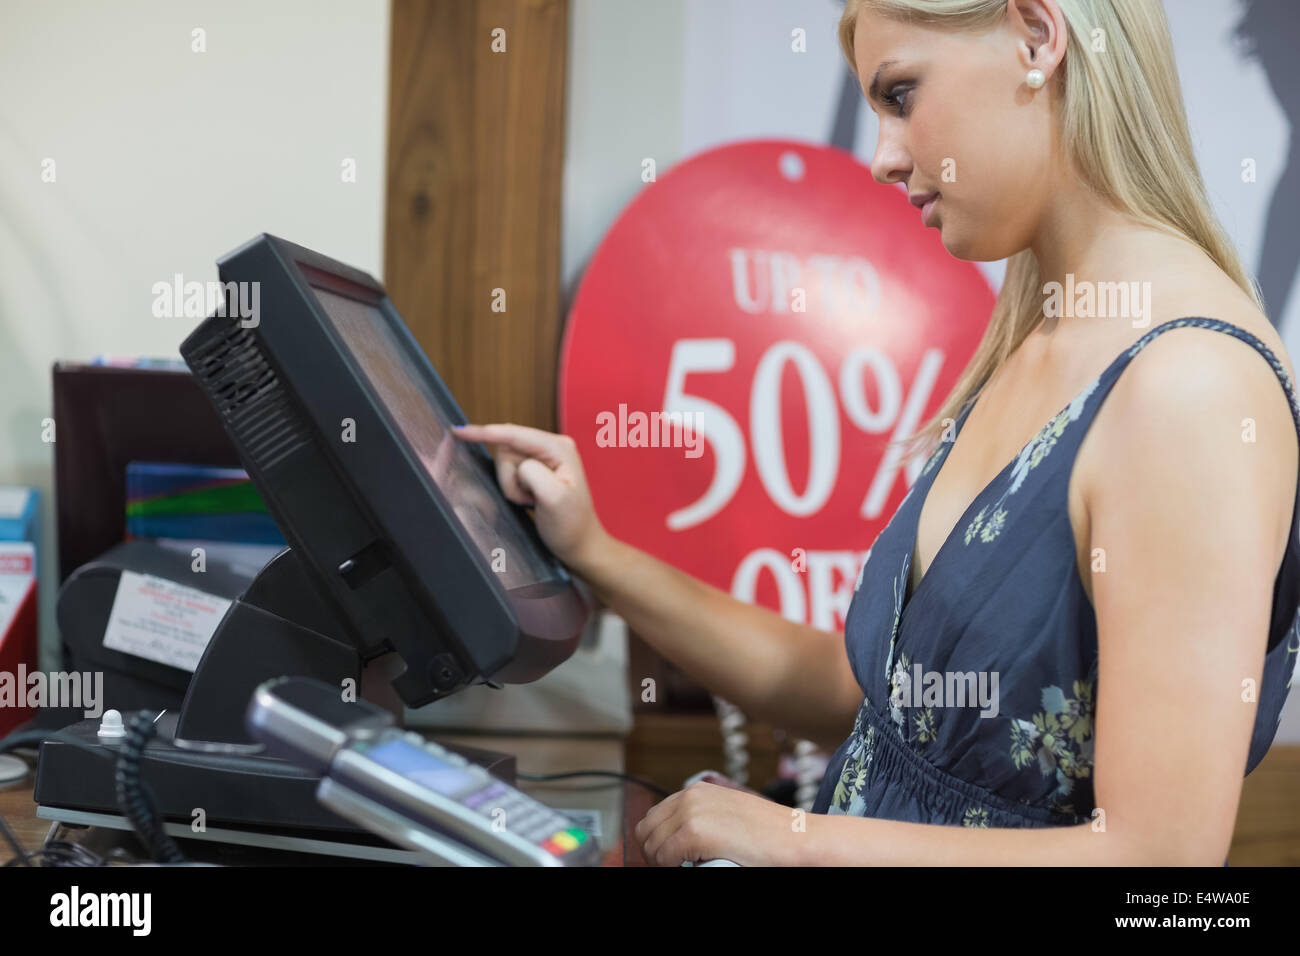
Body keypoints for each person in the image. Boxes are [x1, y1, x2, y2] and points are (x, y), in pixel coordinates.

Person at [454, 0, 1300, 865]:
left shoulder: (1189, 389)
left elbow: (1159, 870)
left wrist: (792, 839)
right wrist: (595, 549)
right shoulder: (1034, 342)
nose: (883, 158)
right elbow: (876, 701)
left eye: (901, 94)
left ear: (1039, 37)